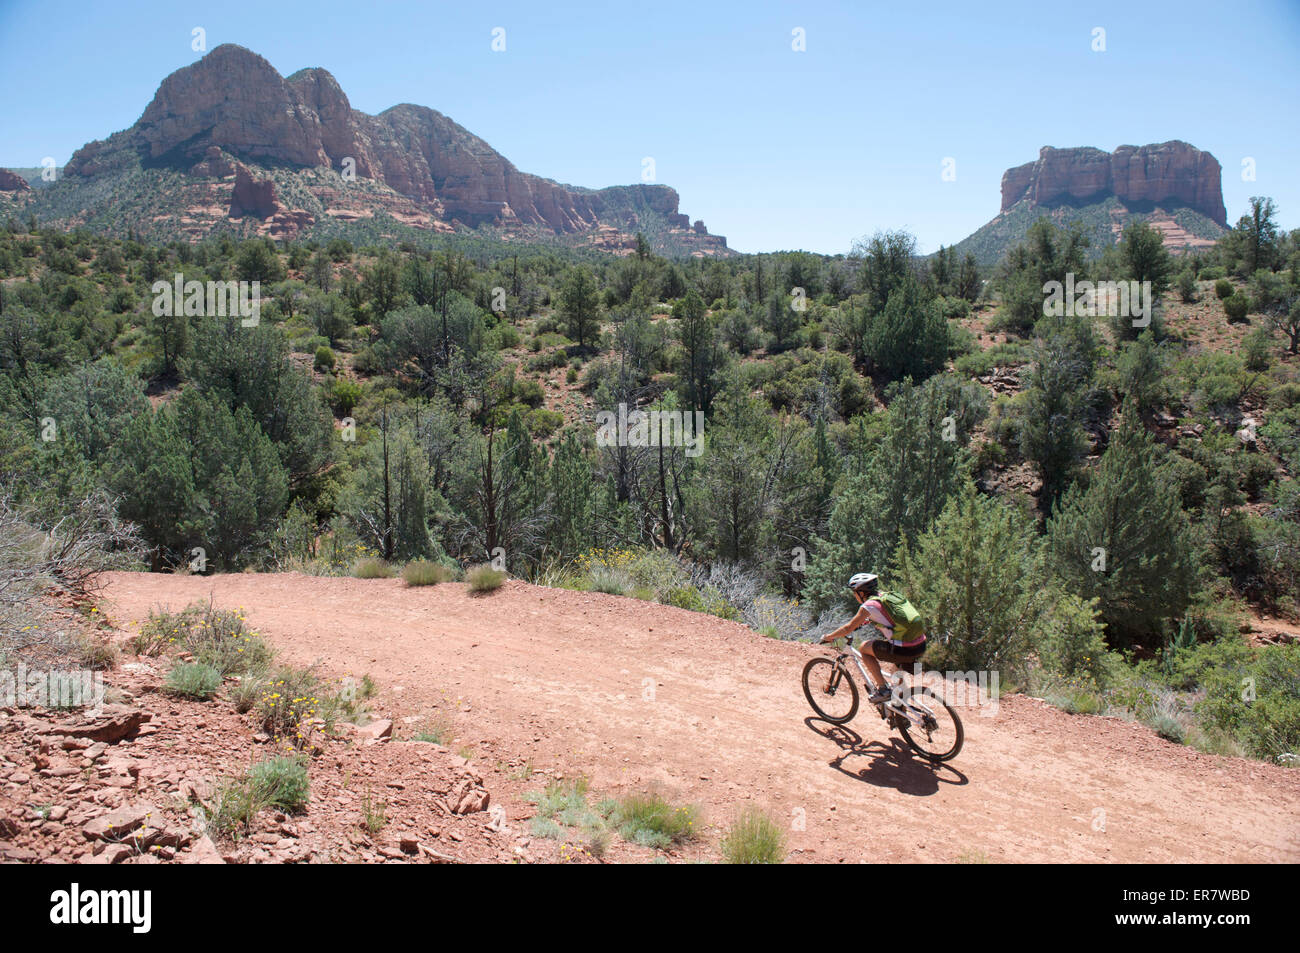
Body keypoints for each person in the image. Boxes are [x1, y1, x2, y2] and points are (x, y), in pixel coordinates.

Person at [818, 572, 926, 702]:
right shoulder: (885, 597)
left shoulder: (868, 606)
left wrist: (829, 637)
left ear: (861, 592)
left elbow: (848, 628)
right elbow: (886, 617)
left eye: (855, 592)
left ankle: (883, 690)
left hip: (903, 649)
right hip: (920, 644)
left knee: (864, 648)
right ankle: (900, 715)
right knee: (895, 673)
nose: (854, 595)